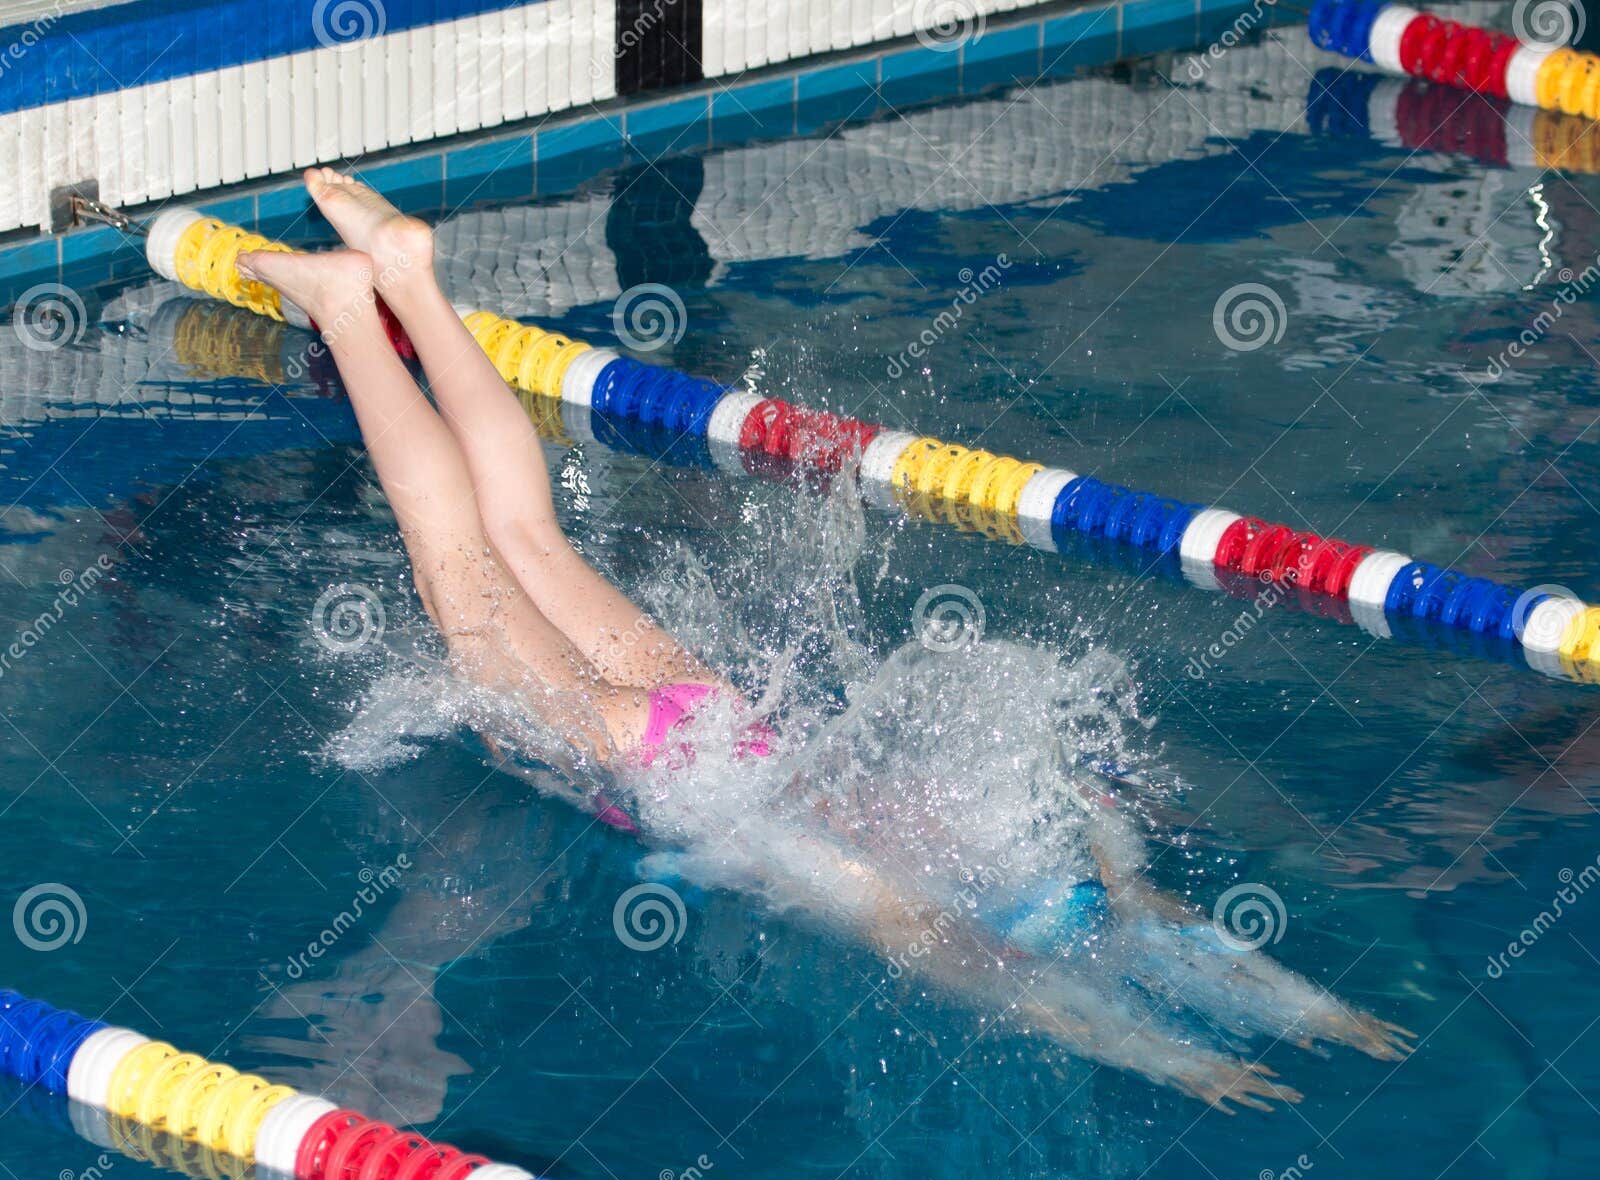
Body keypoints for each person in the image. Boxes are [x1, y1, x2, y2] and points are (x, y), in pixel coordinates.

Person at [239, 170, 1407, 1114]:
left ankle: (411, 279)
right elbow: (1017, 984)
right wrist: (1166, 1060)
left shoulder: (1059, 865)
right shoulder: (923, 908)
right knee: (462, 563)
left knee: (525, 537)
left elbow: (1153, 914)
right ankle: (350, 308)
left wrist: (1319, 1013)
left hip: (725, 722)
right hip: (662, 756)